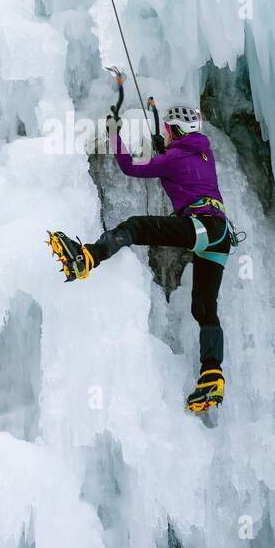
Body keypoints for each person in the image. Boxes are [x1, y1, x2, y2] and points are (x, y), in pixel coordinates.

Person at [48, 104, 234, 414]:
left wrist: (114, 134)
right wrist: (166, 150)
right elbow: (184, 170)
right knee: (204, 308)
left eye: (167, 131)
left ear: (174, 130)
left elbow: (131, 168)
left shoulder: (175, 156)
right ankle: (212, 375)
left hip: (202, 224)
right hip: (220, 234)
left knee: (135, 226)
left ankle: (88, 257)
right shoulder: (203, 152)